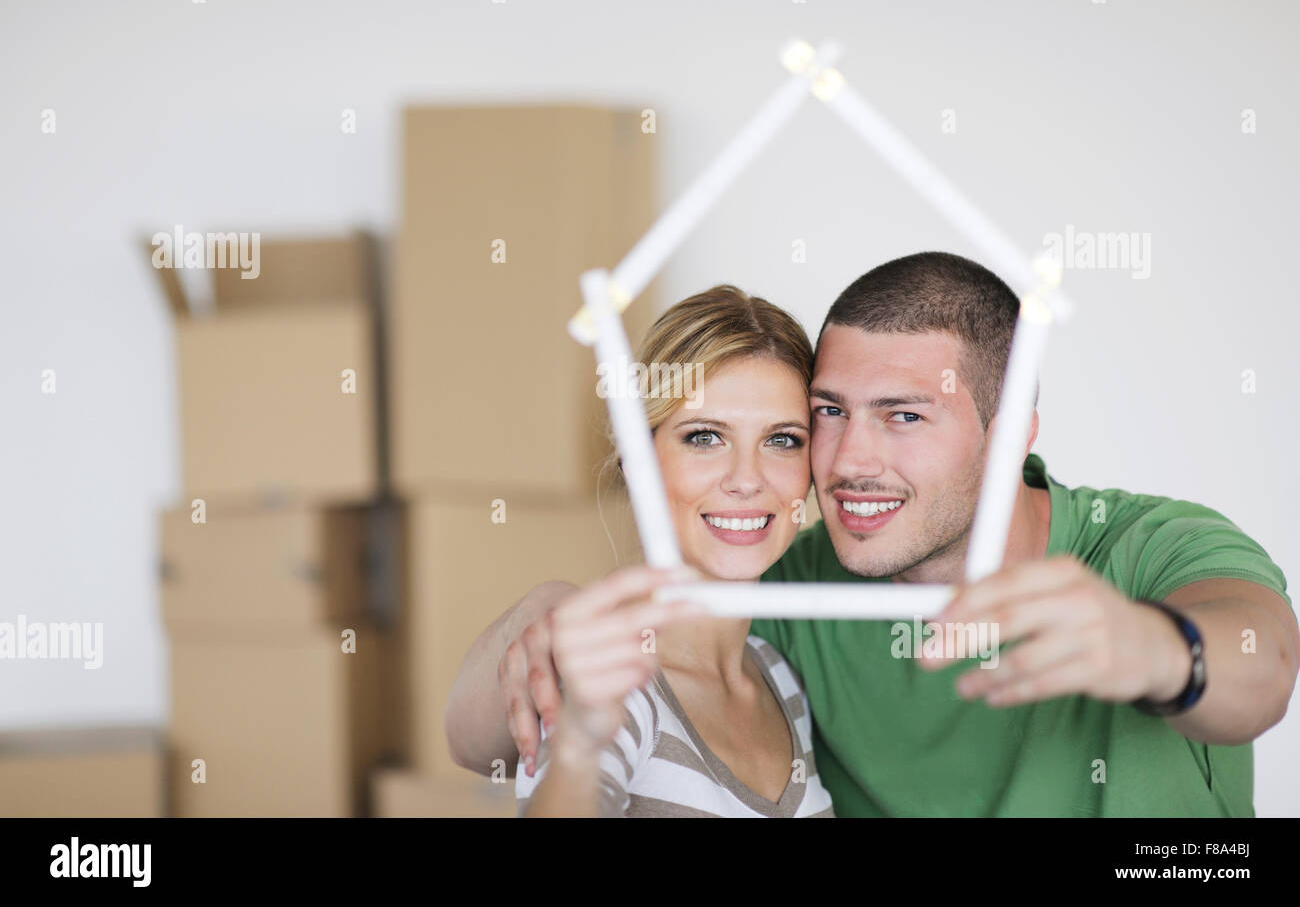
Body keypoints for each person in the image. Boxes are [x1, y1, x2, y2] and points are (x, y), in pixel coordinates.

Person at [448, 252, 1298, 817]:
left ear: (1010, 434)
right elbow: (476, 738)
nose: (848, 459)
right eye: (825, 416)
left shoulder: (1144, 544)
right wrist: (549, 608)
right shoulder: (785, 587)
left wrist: (1152, 650)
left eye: (903, 415)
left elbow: (1262, 668)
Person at [514, 284, 835, 816]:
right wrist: (575, 748)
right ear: (636, 463)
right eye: (705, 436)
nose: (746, 479)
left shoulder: (779, 678)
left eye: (782, 440)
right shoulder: (612, 683)